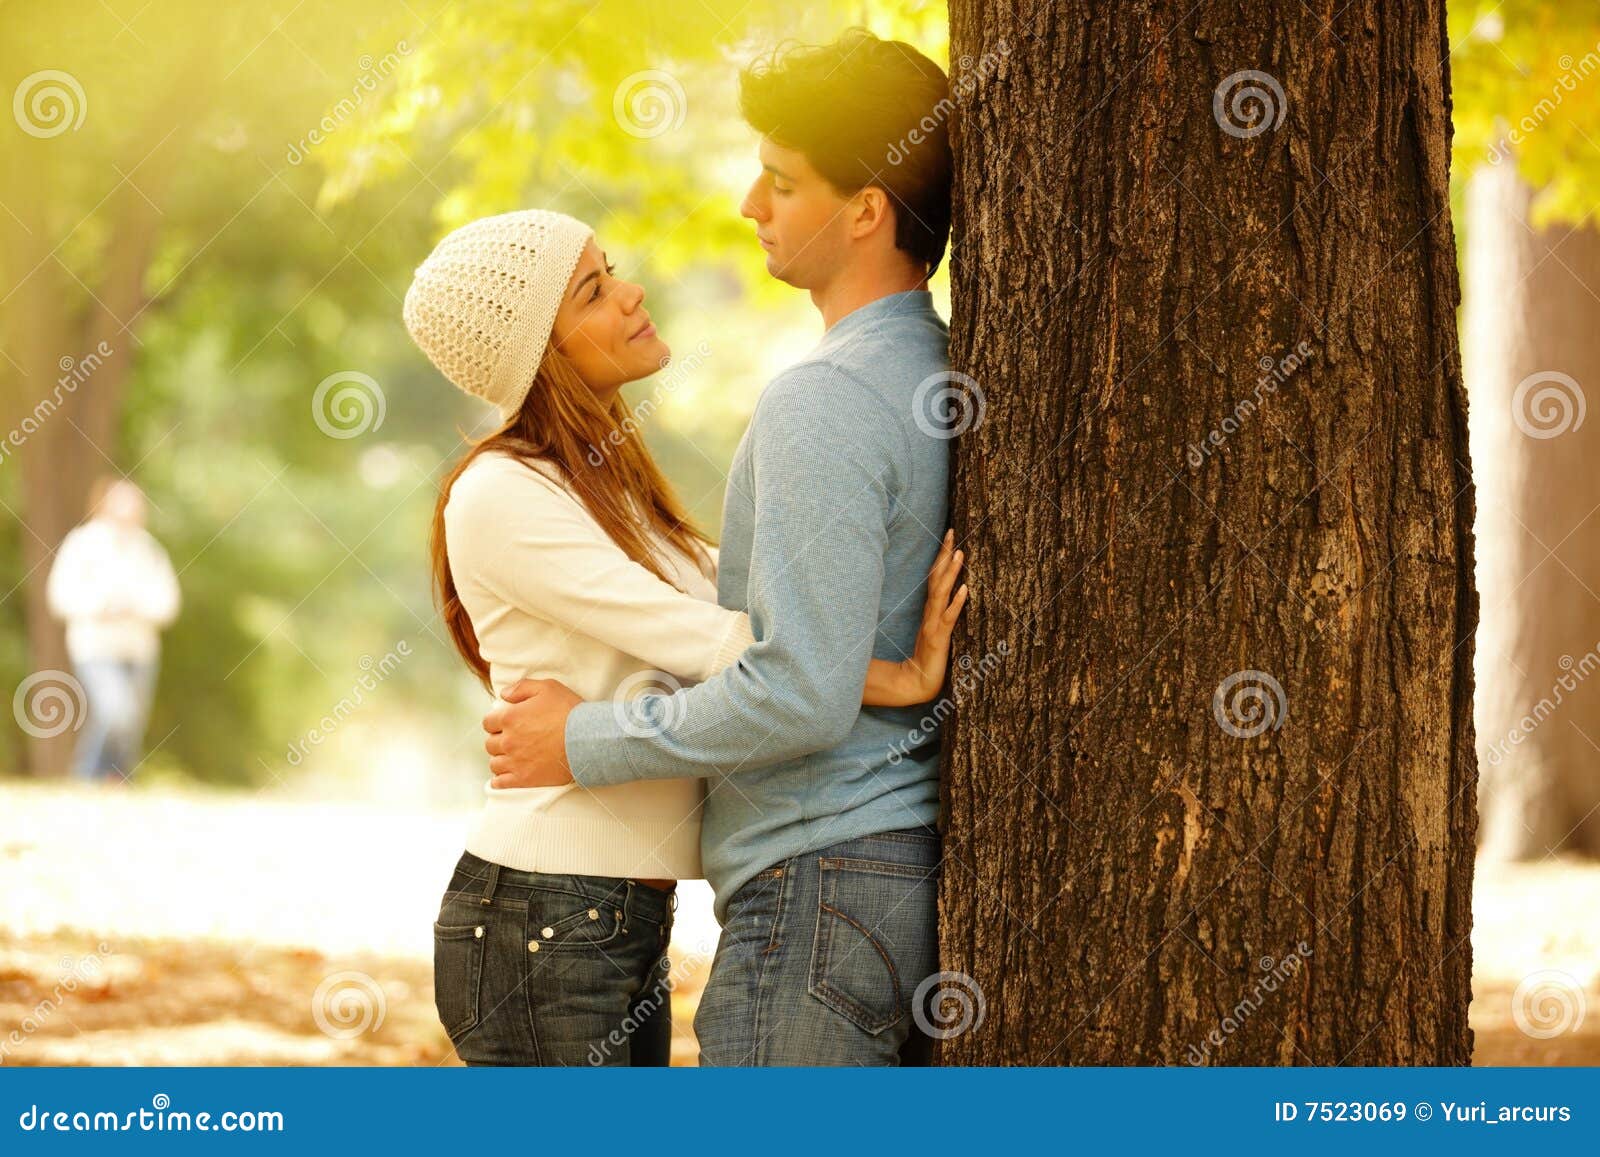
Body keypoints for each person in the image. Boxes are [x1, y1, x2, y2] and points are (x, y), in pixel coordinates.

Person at [480, 30, 959, 1066]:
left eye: (781, 182)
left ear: (866, 210)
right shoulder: (939, 368)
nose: (750, 203)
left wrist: (581, 740)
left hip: (818, 878)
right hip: (891, 877)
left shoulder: (821, 401)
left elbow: (797, 692)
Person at [45, 477, 180, 782]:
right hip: (95, 647)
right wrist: (101, 606)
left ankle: (118, 781)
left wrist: (137, 607)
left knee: (131, 724)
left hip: (140, 650)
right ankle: (87, 777)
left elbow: (167, 601)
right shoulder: (82, 544)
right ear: (104, 504)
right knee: (115, 712)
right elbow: (60, 595)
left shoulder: (149, 549)